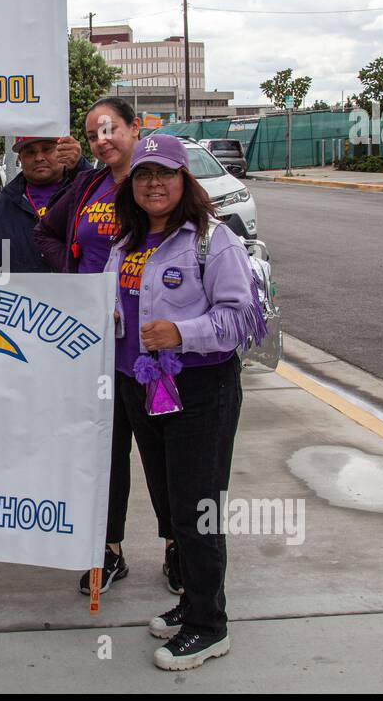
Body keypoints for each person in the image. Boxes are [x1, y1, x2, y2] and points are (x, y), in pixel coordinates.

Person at [105, 134, 264, 671]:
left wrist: (182, 332)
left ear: (184, 181)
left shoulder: (212, 240)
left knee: (199, 507)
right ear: (132, 186)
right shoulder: (126, 242)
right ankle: (191, 600)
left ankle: (209, 625)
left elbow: (243, 318)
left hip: (200, 389)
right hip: (141, 388)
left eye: (165, 174)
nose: (154, 183)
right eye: (144, 174)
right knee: (172, 503)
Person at [34, 97, 171, 596]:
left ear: (135, 128)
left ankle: (176, 545)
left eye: (111, 128)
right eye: (94, 134)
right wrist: (77, 282)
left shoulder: (159, 183)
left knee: (162, 455)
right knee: (104, 452)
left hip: (155, 351)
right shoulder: (88, 186)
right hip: (95, 351)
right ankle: (107, 551)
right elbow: (45, 231)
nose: (103, 139)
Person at [0, 135, 91, 273]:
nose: (39, 158)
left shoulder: (88, 196)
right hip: (18, 294)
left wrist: (80, 165)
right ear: (20, 159)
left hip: (78, 293)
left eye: (47, 149)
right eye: (30, 152)